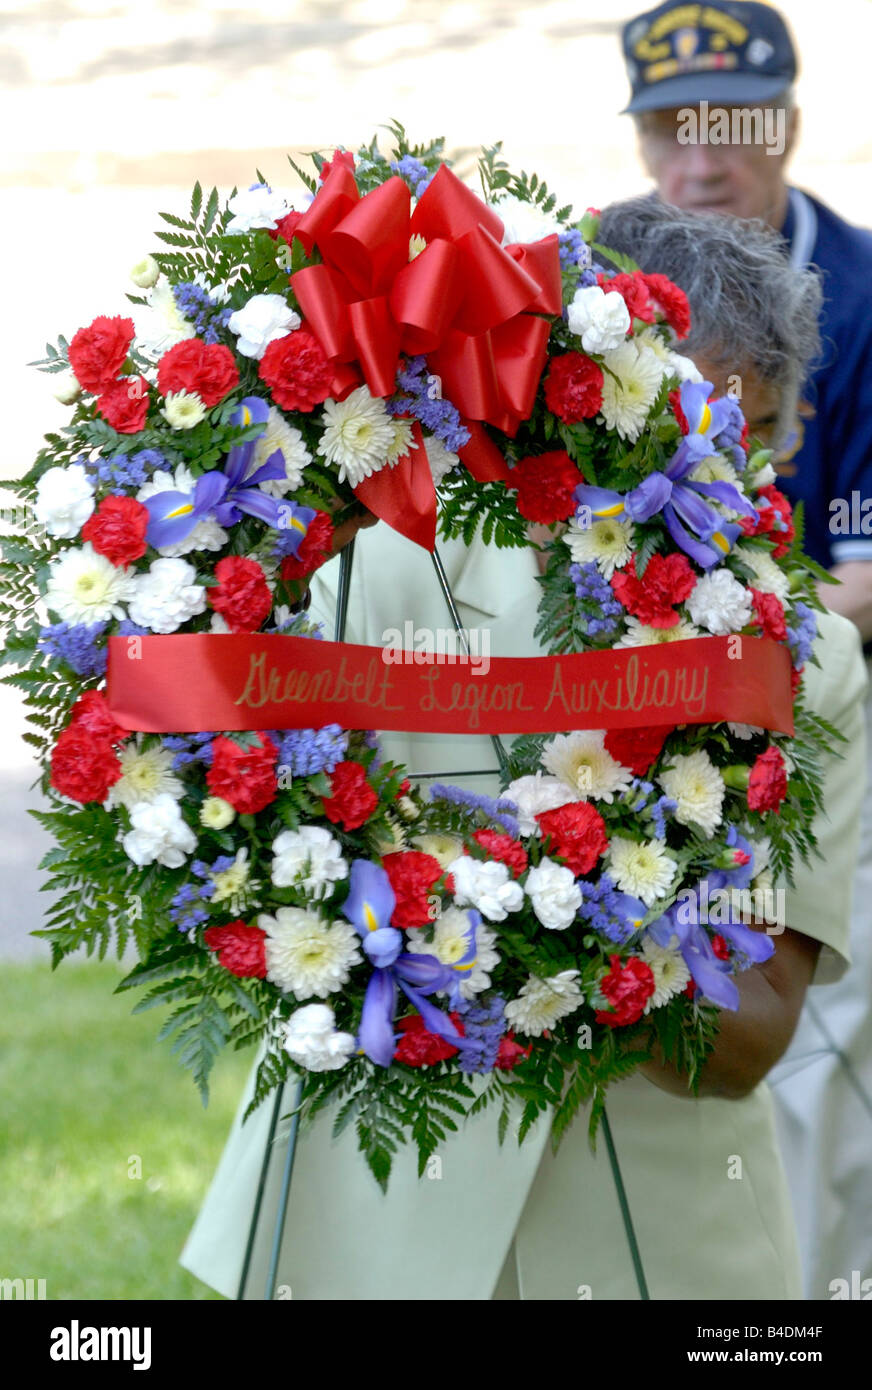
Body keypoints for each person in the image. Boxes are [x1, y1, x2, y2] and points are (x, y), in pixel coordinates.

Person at [179, 201, 867, 1301]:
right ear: (571, 382)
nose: (730, 479)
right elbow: (207, 798)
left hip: (664, 1261)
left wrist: (538, 928)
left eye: (764, 436)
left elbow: (744, 1038)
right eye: (685, 428)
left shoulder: (803, 658)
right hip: (354, 1237)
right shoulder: (370, 553)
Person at [621, 0, 872, 1297]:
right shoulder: (586, 280)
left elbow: (866, 580)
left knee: (817, 1069)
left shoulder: (871, 287)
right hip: (617, 718)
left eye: (733, 124)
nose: (701, 157)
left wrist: (714, 617)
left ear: (785, 127)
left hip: (822, 725)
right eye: (671, 125)